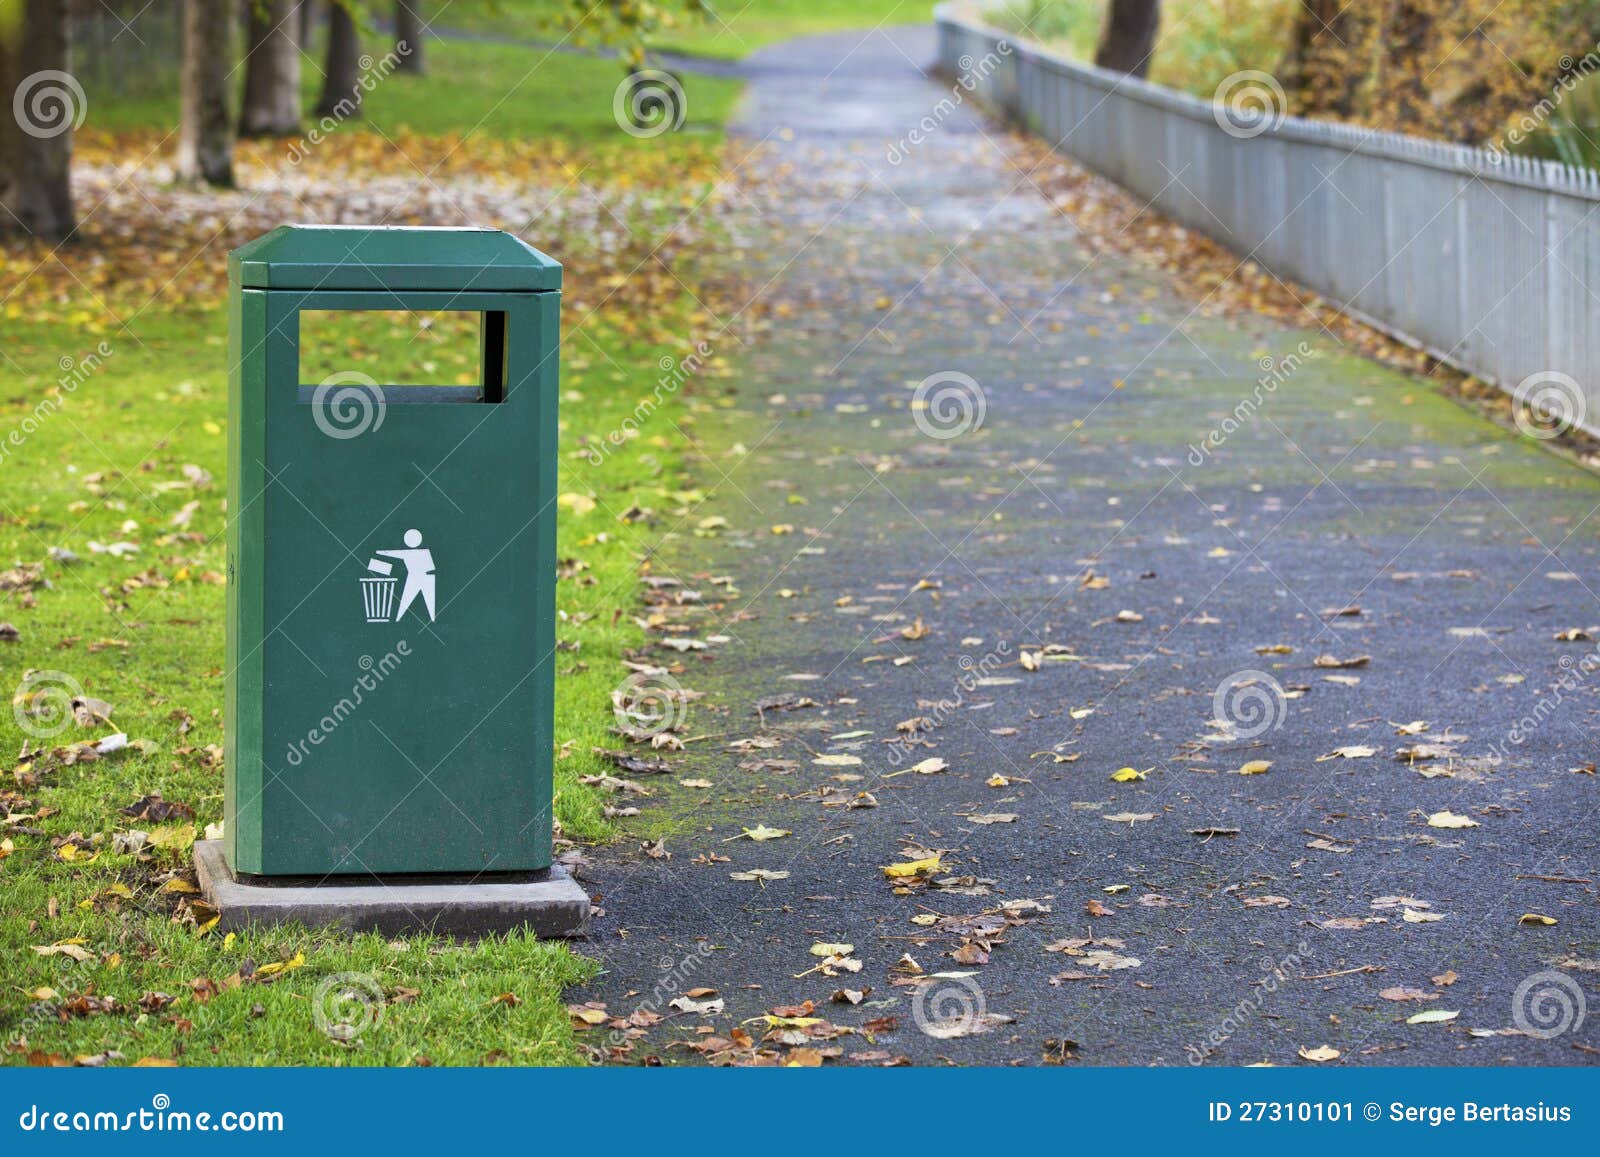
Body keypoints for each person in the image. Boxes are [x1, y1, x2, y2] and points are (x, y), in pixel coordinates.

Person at [375, 529, 436, 622]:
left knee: (423, 601)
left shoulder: (421, 552)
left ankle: (432, 618)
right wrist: (379, 552)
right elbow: (396, 554)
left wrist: (379, 552)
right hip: (420, 577)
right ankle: (399, 618)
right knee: (406, 601)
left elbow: (396, 553)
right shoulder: (422, 552)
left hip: (423, 577)